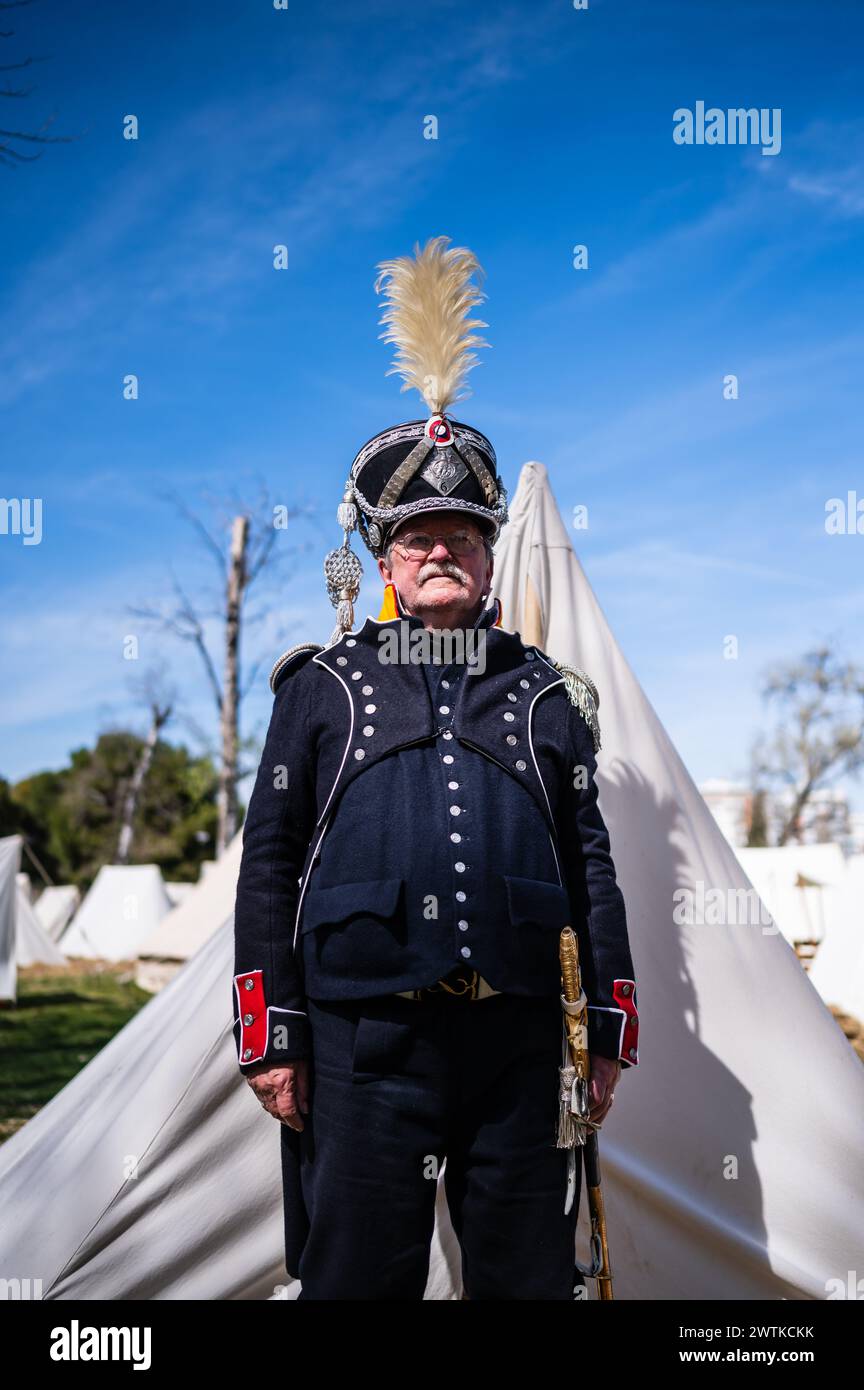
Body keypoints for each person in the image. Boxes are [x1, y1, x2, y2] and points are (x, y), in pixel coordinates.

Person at [231, 237, 639, 1300]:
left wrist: (604, 1027)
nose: (441, 548)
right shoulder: (318, 686)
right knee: (359, 1280)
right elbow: (270, 862)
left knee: (527, 1283)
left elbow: (591, 865)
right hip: (365, 1050)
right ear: (382, 558)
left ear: (491, 548)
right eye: (417, 537)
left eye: (462, 529)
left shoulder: (549, 693)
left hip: (518, 1050)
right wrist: (271, 1031)